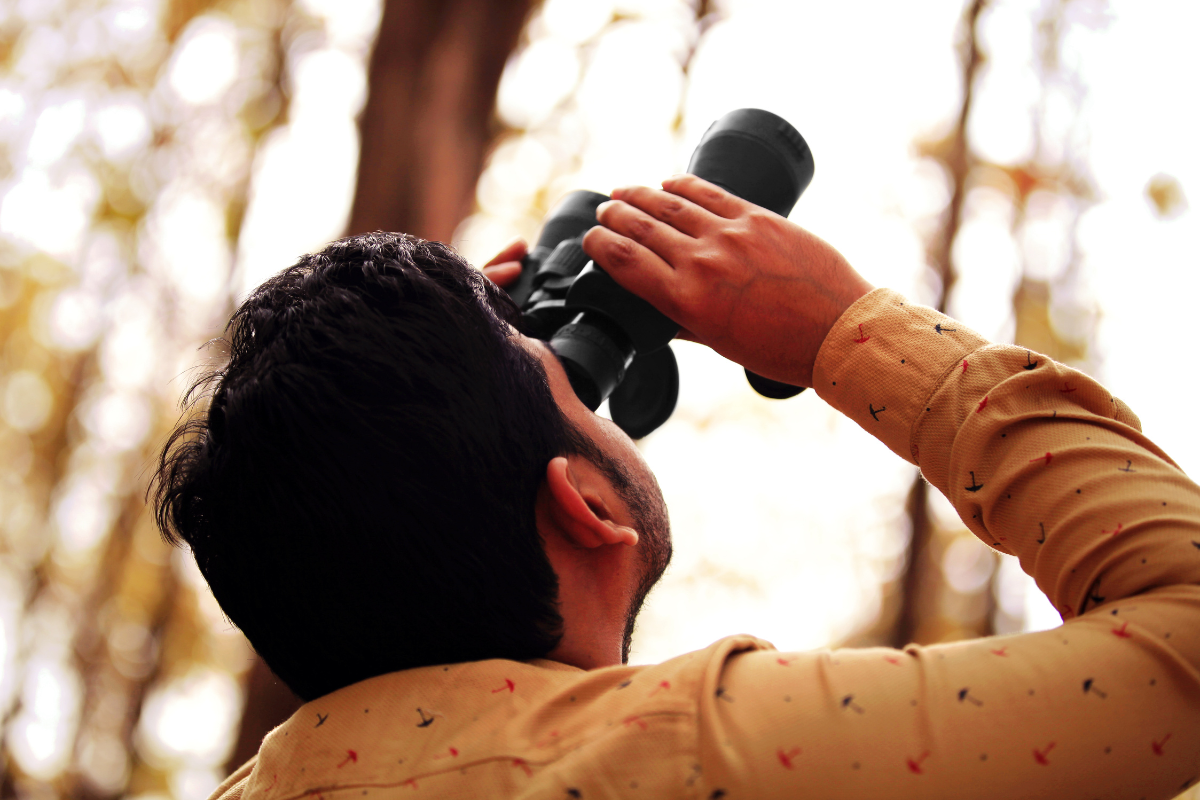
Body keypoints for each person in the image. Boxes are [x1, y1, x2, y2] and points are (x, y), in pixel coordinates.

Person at [156, 175, 1199, 800]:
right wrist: (847, 330)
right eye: (573, 383)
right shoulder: (693, 748)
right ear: (591, 507)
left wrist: (434, 395)